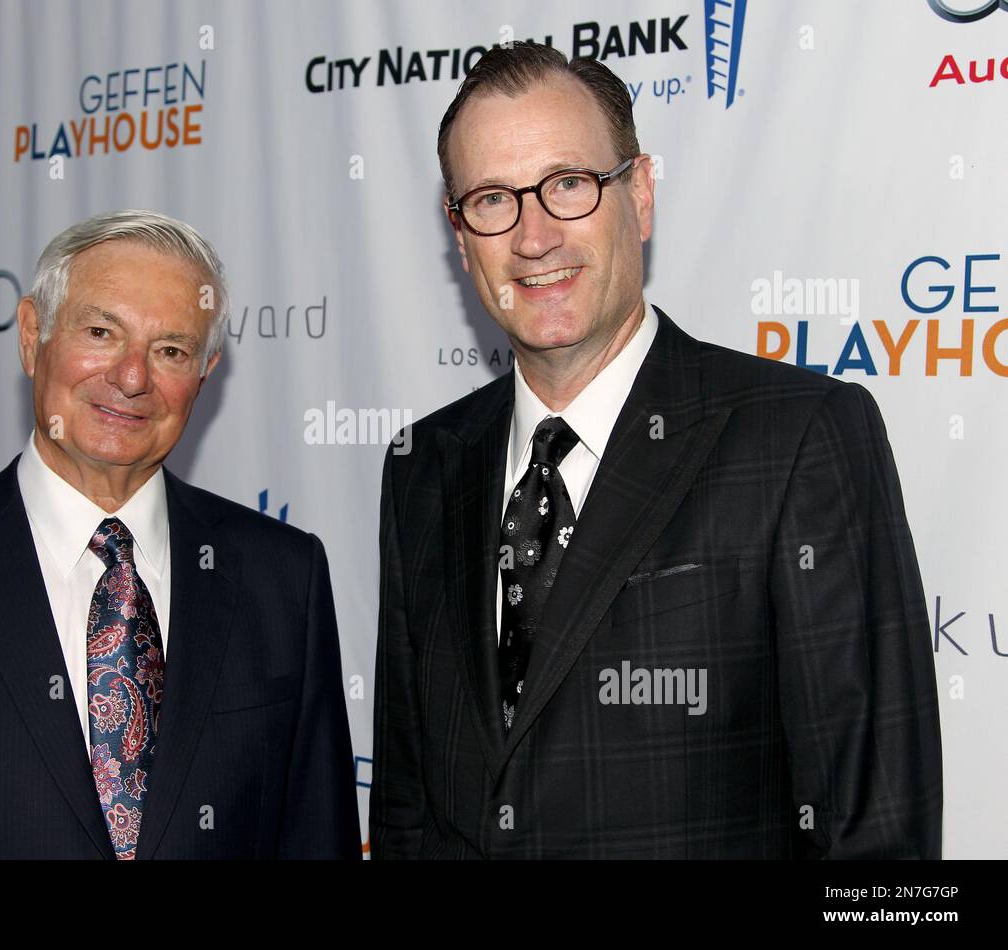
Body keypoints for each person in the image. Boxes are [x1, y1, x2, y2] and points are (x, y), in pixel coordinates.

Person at [371, 43, 942, 859]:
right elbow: (404, 810)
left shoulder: (797, 438)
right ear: (462, 238)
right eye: (493, 199)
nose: (533, 237)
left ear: (638, 197)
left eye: (568, 185)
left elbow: (876, 830)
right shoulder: (421, 466)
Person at [0, 210, 360, 859]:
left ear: (205, 371)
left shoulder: (283, 578)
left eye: (170, 350)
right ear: (32, 335)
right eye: (102, 331)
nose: (132, 377)